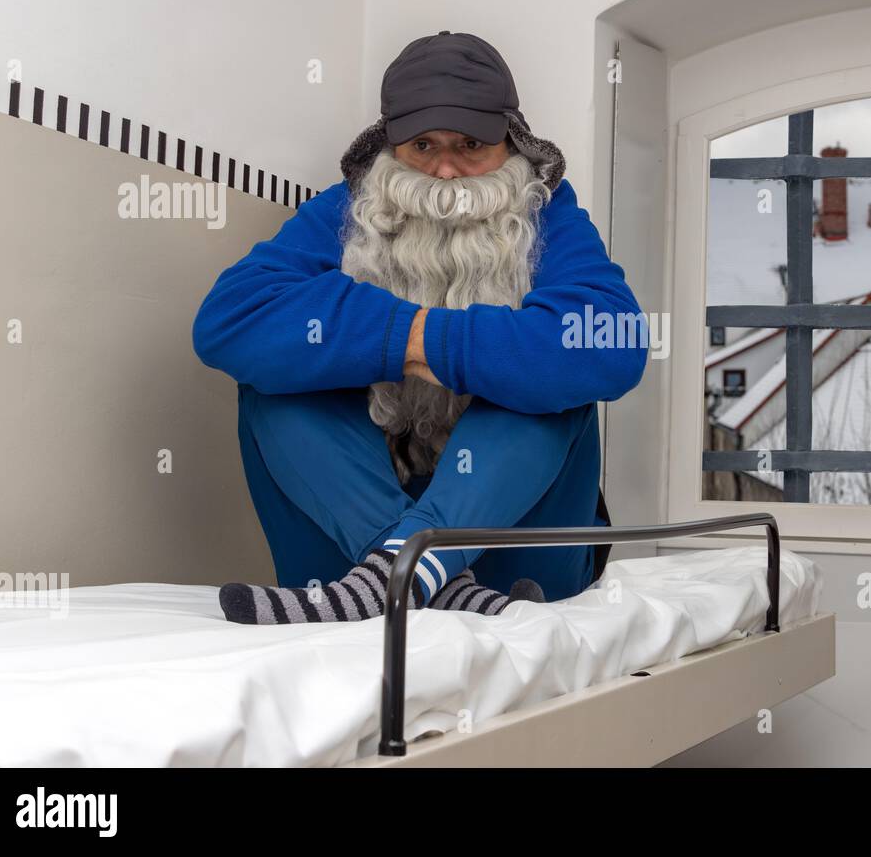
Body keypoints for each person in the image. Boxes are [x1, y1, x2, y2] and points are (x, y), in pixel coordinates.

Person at [191, 31, 647, 624]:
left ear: (510, 143)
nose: (447, 171)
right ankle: (410, 571)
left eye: (471, 145)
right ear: (389, 147)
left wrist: (435, 343)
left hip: (514, 558)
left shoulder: (548, 214)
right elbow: (230, 319)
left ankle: (407, 567)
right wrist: (401, 340)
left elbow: (613, 341)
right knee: (275, 379)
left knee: (548, 378)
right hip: (346, 555)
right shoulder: (345, 209)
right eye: (423, 145)